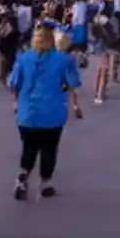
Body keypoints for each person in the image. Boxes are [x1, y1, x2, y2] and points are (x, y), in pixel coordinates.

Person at [8, 25, 81, 200]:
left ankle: (23, 176)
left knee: (29, 146)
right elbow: (71, 82)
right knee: (49, 147)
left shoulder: (24, 59)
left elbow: (14, 83)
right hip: (52, 110)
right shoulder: (63, 60)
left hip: (28, 111)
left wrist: (17, 99)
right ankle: (46, 181)